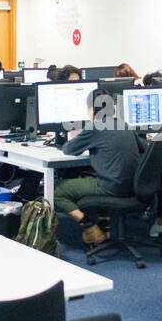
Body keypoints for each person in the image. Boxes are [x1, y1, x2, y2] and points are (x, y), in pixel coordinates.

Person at [55, 89, 140, 246]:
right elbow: (145, 147)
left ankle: (89, 226)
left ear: (92, 110)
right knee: (95, 176)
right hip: (133, 185)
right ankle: (104, 228)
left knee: (56, 191)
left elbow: (68, 150)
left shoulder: (94, 127)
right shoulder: (123, 124)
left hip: (110, 186)